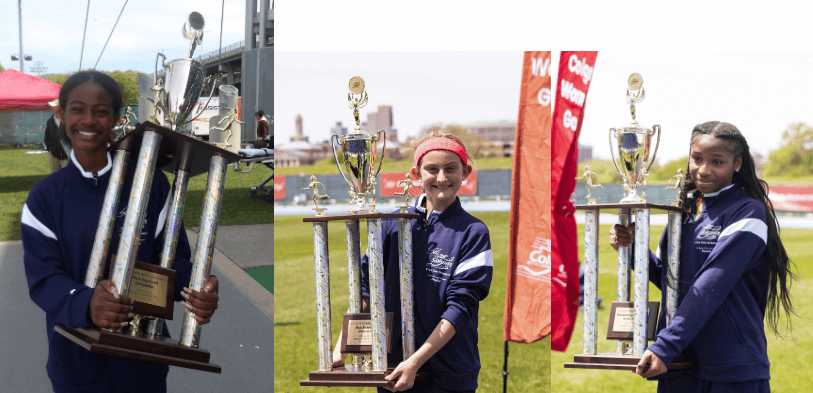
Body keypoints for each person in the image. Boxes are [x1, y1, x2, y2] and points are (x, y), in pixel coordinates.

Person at [21, 70, 220, 393]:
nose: (88, 120)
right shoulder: (45, 198)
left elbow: (176, 264)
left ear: (115, 118)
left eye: (101, 112)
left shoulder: (152, 185)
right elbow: (44, 279)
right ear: (61, 114)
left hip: (141, 365)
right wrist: (87, 304)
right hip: (75, 363)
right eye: (77, 109)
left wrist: (199, 292)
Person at [610, 121, 793, 393]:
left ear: (737, 163)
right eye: (697, 159)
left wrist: (665, 345)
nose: (703, 169)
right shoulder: (683, 210)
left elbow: (712, 284)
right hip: (680, 367)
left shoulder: (748, 212)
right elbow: (671, 281)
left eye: (717, 161)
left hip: (732, 370)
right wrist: (635, 249)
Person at [360, 132, 493, 393]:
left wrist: (415, 361)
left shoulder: (473, 232)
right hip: (393, 371)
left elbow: (460, 308)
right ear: (416, 173)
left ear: (465, 172)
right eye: (432, 169)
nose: (442, 178)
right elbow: (368, 289)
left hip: (449, 375)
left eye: (451, 169)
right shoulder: (390, 225)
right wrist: (344, 346)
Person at [43, 98, 70, 172]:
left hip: (66, 153)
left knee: (67, 174)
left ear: (59, 107)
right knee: (55, 174)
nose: (52, 107)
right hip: (54, 154)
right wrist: (49, 148)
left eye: (54, 106)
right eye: (51, 106)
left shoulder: (67, 119)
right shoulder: (50, 121)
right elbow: (47, 136)